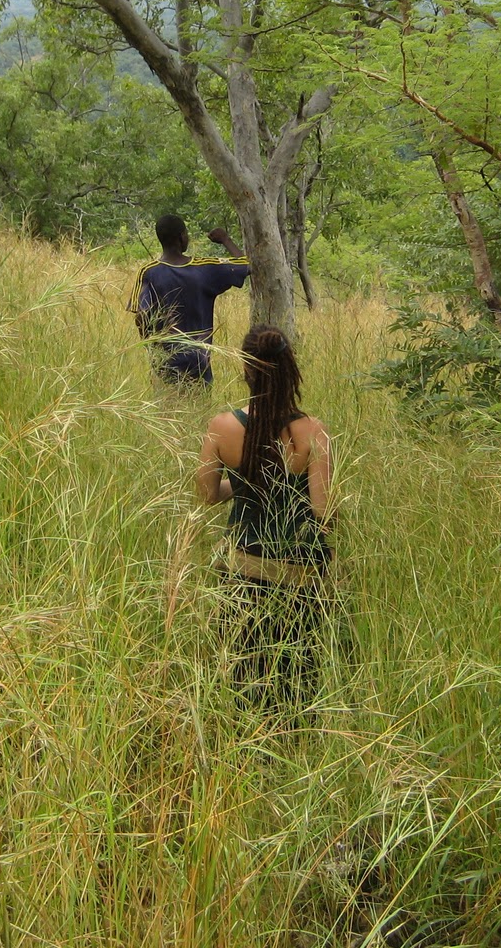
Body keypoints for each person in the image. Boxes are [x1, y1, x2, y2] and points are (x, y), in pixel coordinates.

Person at [197, 324, 336, 716]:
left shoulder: (222, 426)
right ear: (290, 368)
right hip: (300, 575)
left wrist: (241, 485)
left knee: (245, 673)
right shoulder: (312, 431)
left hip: (244, 567)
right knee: (296, 676)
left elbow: (208, 494)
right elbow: (323, 512)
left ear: (245, 368)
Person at [128, 214, 251, 385]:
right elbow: (245, 265)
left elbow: (141, 316)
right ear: (181, 237)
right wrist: (225, 239)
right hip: (199, 364)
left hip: (164, 363)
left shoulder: (148, 272)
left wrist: (153, 350)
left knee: (167, 409)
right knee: (200, 409)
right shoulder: (203, 269)